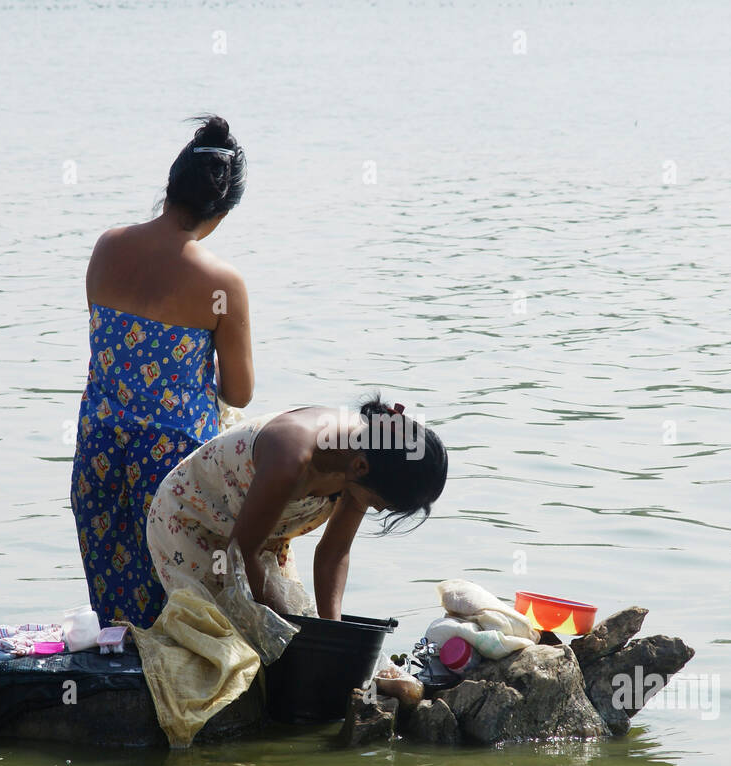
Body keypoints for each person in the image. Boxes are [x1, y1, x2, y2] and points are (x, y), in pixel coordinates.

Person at [71, 115, 253, 628]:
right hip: (172, 476)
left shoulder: (108, 246)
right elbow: (238, 392)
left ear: (170, 186)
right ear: (220, 211)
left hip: (99, 460)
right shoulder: (222, 281)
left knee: (121, 626)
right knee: (181, 626)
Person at [147, 398, 448, 621]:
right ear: (359, 468)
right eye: (378, 504)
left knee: (291, 634)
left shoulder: (367, 456)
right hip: (195, 525)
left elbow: (334, 553)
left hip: (260, 539)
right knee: (220, 637)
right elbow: (239, 553)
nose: (375, 511)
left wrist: (333, 630)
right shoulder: (291, 458)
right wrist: (284, 622)